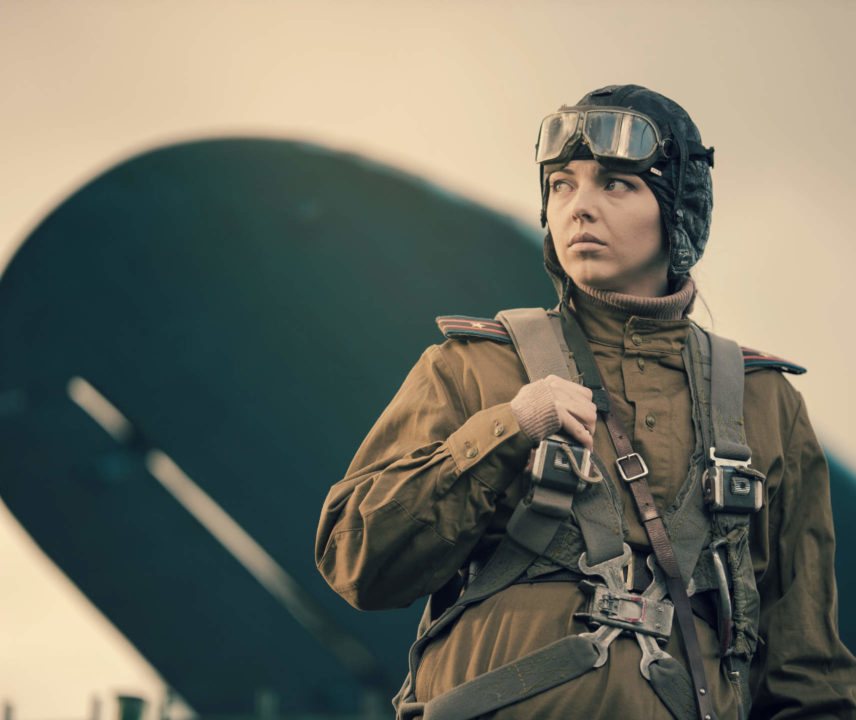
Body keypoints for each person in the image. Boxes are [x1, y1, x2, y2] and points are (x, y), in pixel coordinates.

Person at [315, 84, 856, 719]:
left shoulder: (767, 405)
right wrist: (509, 427)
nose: (579, 208)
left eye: (615, 185)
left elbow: (808, 675)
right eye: (562, 185)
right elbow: (357, 559)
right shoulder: (474, 365)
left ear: (678, 209)